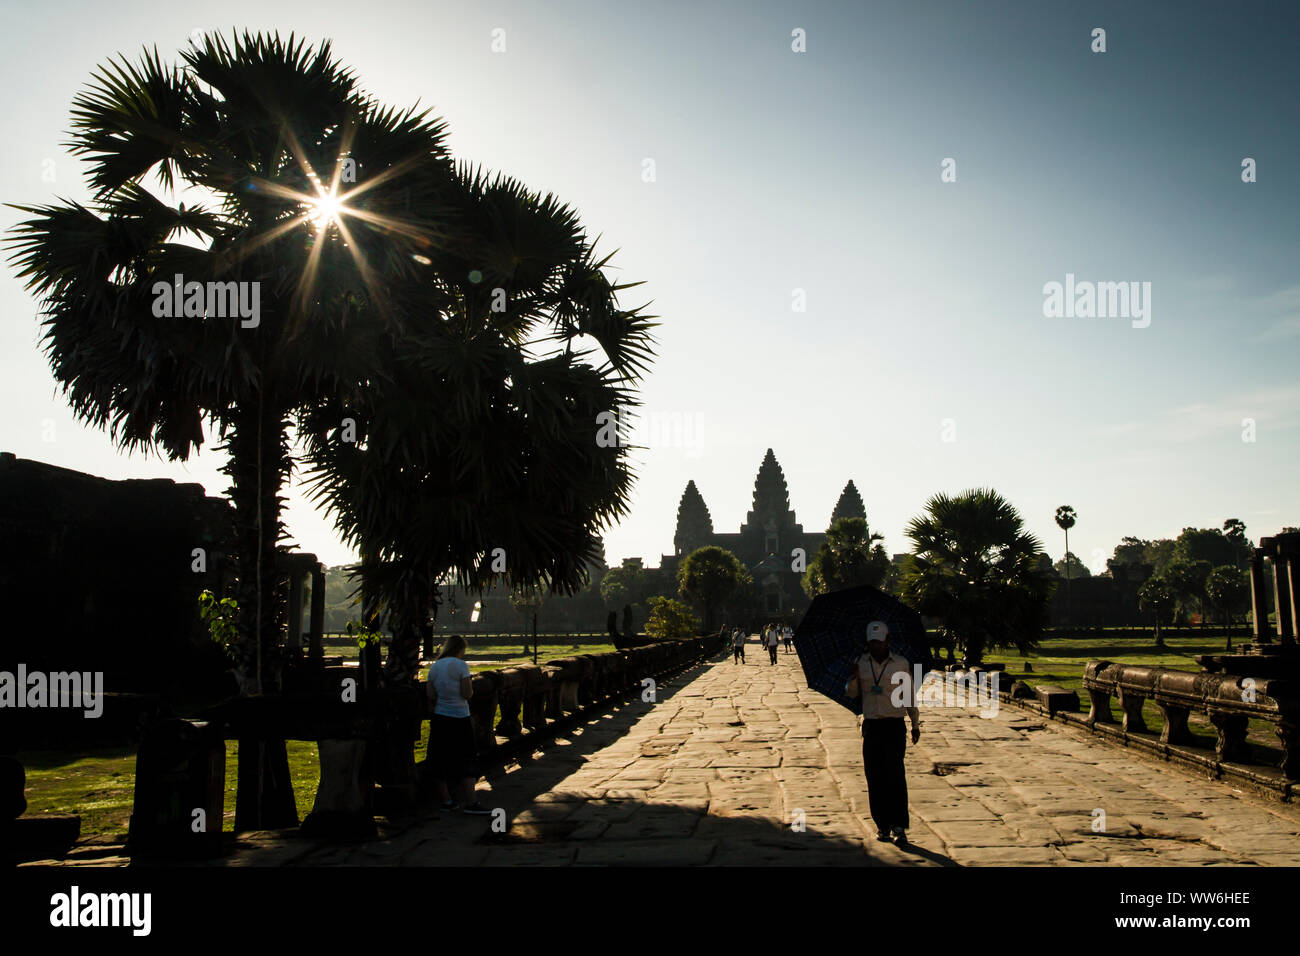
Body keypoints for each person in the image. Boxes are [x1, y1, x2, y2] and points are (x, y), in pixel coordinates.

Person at [844, 620, 920, 845]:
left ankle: (899, 825)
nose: (876, 646)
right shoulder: (861, 663)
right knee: (874, 777)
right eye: (872, 643)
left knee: (896, 776)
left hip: (895, 725)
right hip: (872, 726)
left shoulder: (901, 664)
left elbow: (909, 695)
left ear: (888, 641)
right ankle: (882, 825)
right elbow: (851, 694)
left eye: (879, 642)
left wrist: (915, 724)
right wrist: (854, 677)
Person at [426, 634, 492, 814]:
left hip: (440, 716)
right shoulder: (461, 665)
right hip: (459, 716)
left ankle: (446, 800)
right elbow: (467, 693)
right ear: (460, 649)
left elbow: (431, 694)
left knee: (439, 758)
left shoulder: (435, 667)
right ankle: (471, 801)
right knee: (467, 758)